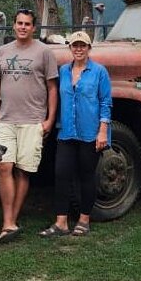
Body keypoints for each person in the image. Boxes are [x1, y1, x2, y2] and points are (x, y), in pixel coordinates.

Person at [0, 8, 59, 242]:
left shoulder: (44, 52)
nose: (22, 27)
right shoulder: (2, 52)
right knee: (3, 167)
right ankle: (7, 222)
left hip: (32, 120)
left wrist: (49, 119)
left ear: (34, 27)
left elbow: (52, 88)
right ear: (14, 26)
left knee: (23, 170)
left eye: (27, 24)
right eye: (19, 23)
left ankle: (12, 219)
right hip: (6, 120)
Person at [38, 30, 111, 238]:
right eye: (75, 45)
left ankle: (84, 219)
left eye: (83, 45)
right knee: (61, 174)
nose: (79, 49)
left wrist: (103, 130)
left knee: (86, 176)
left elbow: (105, 102)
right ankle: (61, 222)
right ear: (70, 48)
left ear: (89, 48)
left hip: (90, 133)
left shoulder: (99, 72)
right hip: (67, 132)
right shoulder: (63, 71)